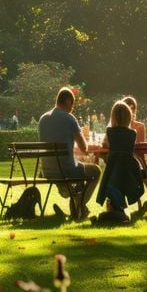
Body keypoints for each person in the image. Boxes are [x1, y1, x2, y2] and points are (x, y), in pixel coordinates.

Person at [38, 87, 101, 220]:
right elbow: (84, 148)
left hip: (47, 170)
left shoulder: (43, 119)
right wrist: (84, 136)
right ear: (67, 102)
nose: (72, 108)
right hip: (66, 170)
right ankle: (79, 203)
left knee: (78, 171)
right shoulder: (69, 118)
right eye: (72, 104)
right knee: (95, 171)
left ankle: (77, 207)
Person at [95, 101, 145, 223]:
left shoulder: (110, 132)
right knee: (118, 172)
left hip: (114, 167)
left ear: (113, 117)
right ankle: (118, 209)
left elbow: (105, 145)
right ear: (129, 117)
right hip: (129, 169)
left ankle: (113, 208)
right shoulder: (132, 133)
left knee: (112, 172)